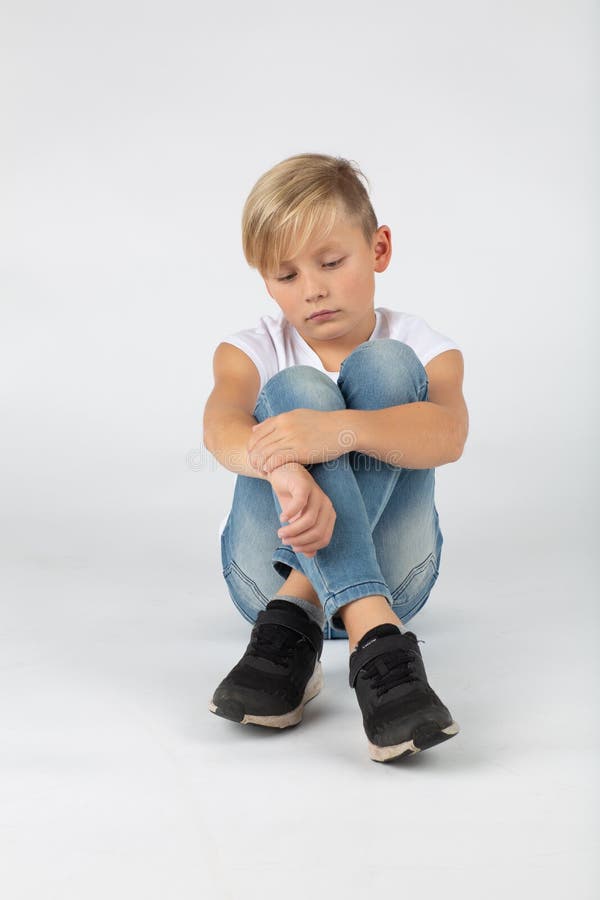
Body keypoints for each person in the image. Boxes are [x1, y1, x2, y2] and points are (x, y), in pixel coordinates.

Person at [202, 153, 469, 762]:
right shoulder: (250, 349)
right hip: (258, 574)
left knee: (384, 368)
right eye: (285, 275)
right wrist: (285, 461)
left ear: (378, 249)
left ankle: (299, 608)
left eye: (330, 262)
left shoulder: (425, 348)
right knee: (295, 387)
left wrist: (336, 433)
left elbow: (449, 435)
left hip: (393, 573)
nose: (313, 290)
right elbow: (219, 430)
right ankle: (375, 637)